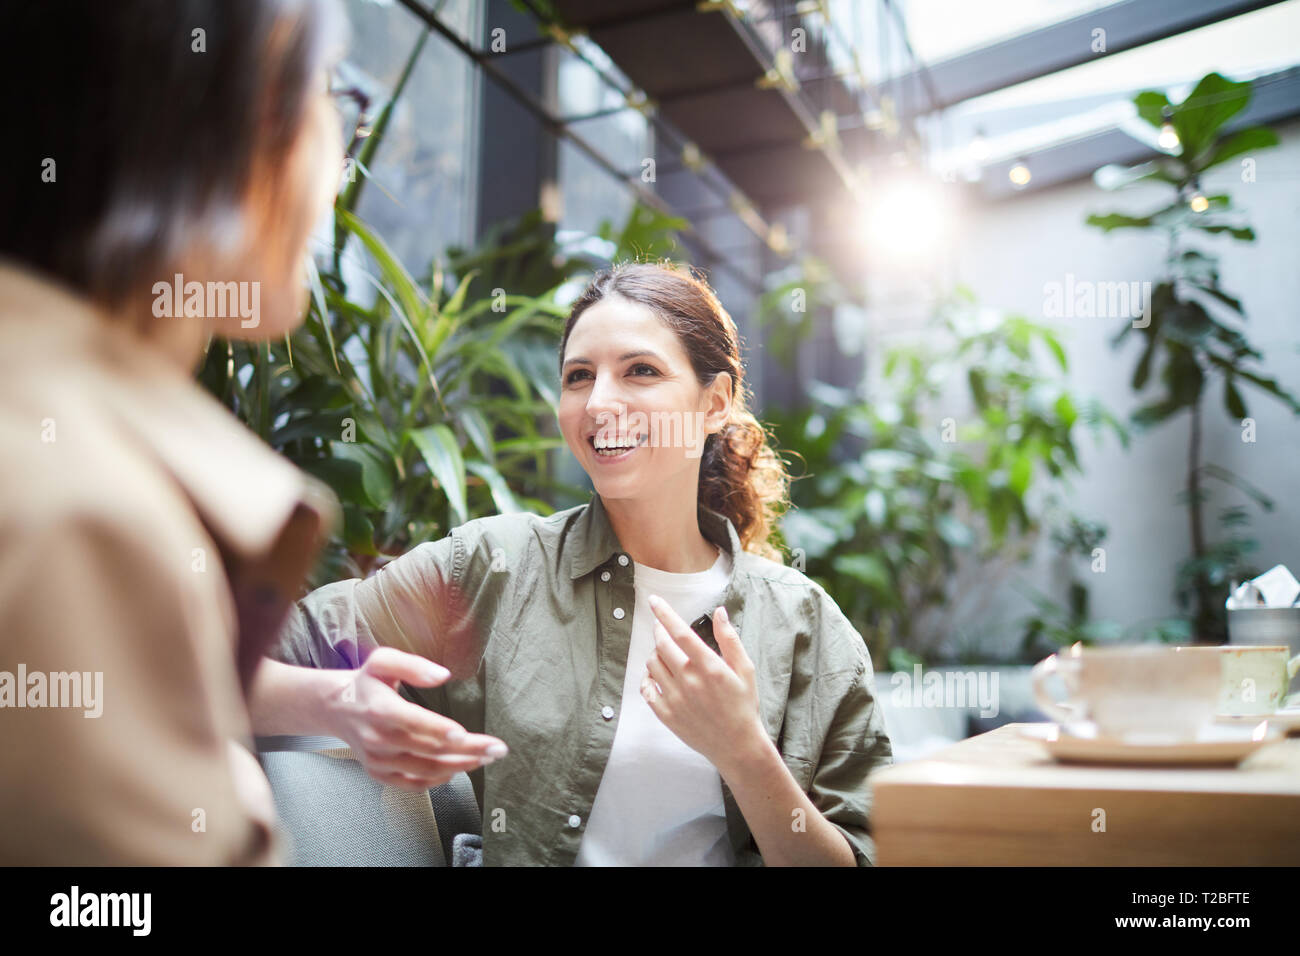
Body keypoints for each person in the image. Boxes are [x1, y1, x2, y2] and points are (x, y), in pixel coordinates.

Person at [0, 0, 503, 864]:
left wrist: (330, 702)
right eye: (335, 95)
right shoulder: (87, 512)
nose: (341, 160)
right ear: (230, 113)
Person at [256, 261, 894, 866]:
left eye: (640, 371)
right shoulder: (490, 568)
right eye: (578, 376)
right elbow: (217, 668)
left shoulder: (807, 625)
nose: (598, 403)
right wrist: (337, 700)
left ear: (714, 403)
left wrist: (744, 752)